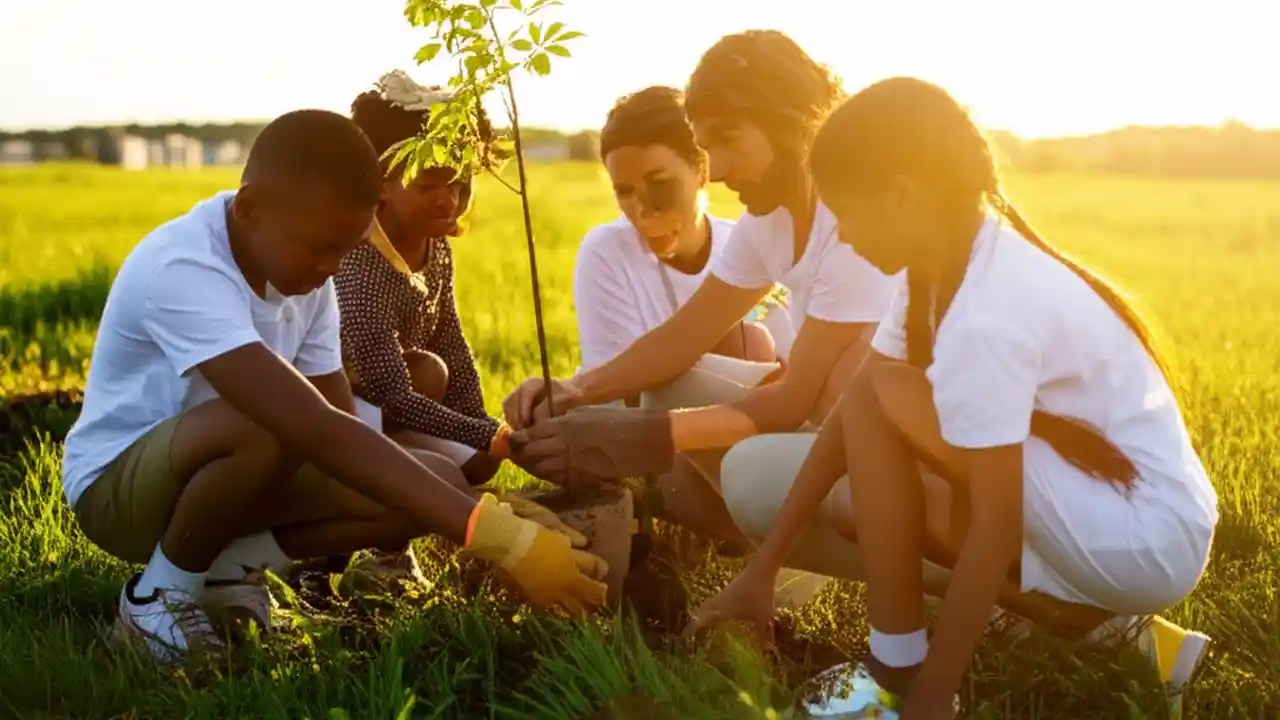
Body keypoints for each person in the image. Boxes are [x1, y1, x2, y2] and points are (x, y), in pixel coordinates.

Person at [689, 78, 1217, 717]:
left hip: (1140, 532)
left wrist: (934, 695)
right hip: (1119, 510)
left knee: (885, 395)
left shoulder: (989, 311)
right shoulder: (941, 267)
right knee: (863, 500)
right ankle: (1122, 643)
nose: (845, 237)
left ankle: (903, 674)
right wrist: (762, 570)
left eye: (847, 214)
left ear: (904, 195)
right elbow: (858, 410)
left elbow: (993, 526)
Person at [60, 108, 608, 664]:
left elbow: (342, 421)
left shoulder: (308, 277)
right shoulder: (184, 268)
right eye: (320, 248)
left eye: (346, 249)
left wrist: (481, 502)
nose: (331, 268)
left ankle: (226, 570)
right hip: (118, 490)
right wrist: (500, 538)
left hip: (229, 473)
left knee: (425, 480)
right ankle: (158, 596)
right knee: (270, 420)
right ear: (250, 208)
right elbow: (313, 425)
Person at [506, 31, 895, 556]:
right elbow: (682, 338)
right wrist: (575, 391)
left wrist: (637, 437)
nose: (722, 167)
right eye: (709, 146)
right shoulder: (770, 221)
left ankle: (923, 578)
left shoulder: (853, 221)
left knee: (750, 475)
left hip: (916, 449)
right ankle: (778, 552)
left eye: (729, 139)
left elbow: (797, 398)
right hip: (849, 429)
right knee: (673, 386)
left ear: (792, 123)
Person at [338, 71, 509, 487]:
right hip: (345, 407)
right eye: (429, 184)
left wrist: (482, 425)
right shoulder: (362, 263)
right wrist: (490, 434)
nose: (447, 200)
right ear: (382, 187)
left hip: (397, 399)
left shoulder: (435, 247)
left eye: (457, 183)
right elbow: (389, 393)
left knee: (482, 462)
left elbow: (448, 335)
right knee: (430, 378)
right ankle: (386, 524)